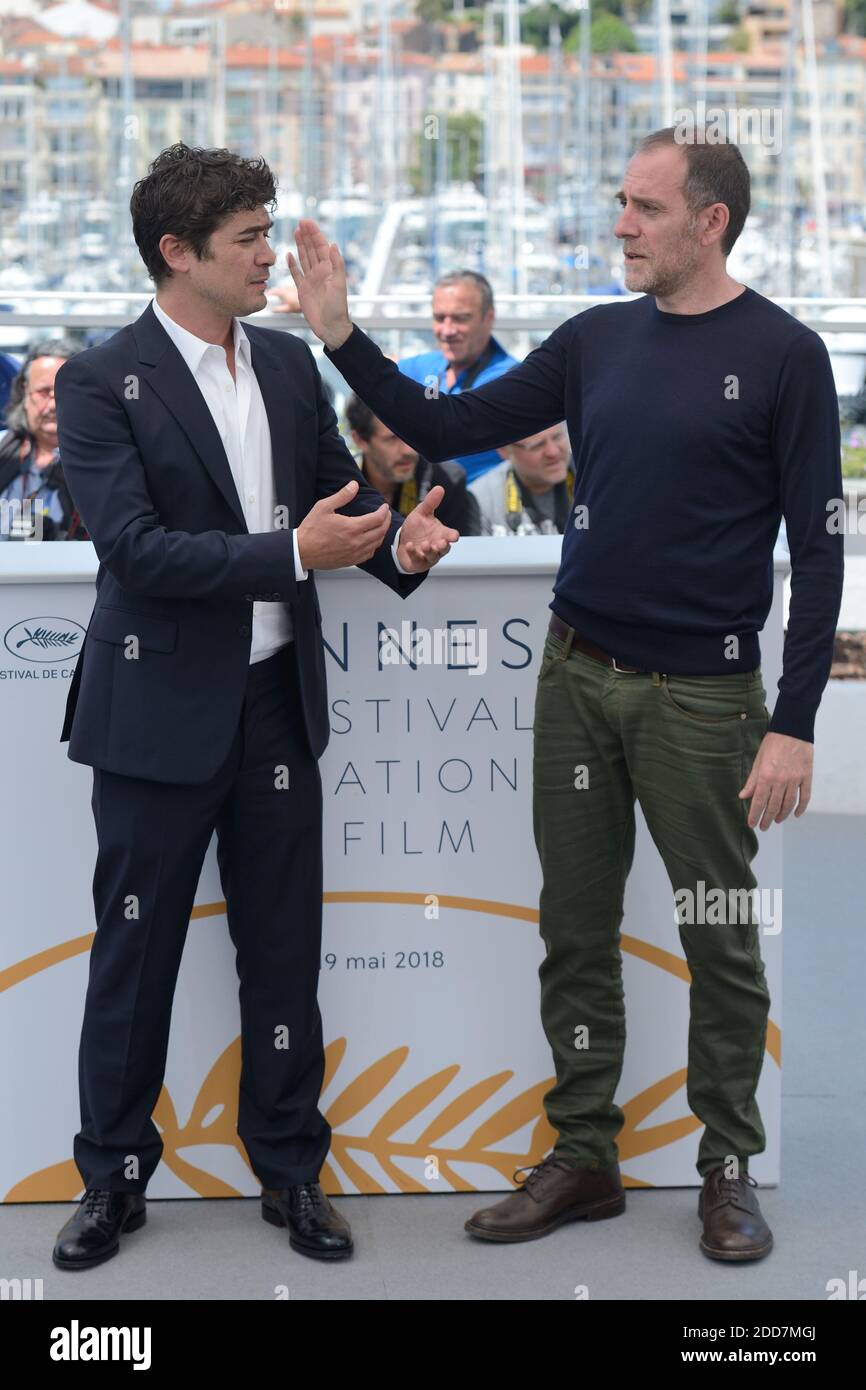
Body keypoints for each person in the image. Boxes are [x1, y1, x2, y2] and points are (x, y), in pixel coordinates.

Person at [288, 126, 845, 1262]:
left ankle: (725, 1162)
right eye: (617, 201)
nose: (620, 224)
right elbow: (445, 426)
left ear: (709, 223)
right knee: (573, 930)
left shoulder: (786, 354)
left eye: (642, 207)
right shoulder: (592, 340)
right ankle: (582, 1151)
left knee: (719, 934)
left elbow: (818, 553)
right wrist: (341, 334)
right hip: (575, 674)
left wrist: (793, 723)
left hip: (706, 695)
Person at [50, 142, 457, 1272]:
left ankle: (290, 1170)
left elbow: (337, 502)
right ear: (178, 253)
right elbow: (134, 550)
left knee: (285, 955)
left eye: (268, 231)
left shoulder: (282, 365)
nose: (268, 255)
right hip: (153, 719)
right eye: (248, 239)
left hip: (278, 705)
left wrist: (398, 544)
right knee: (135, 958)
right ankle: (110, 1179)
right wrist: (293, 549)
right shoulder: (97, 378)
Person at [397, 270, 518, 485]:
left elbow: (445, 442)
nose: (447, 330)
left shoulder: (508, 381)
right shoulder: (428, 365)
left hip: (479, 511)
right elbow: (380, 379)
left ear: (488, 318)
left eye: (461, 318)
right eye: (439, 318)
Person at [345, 393, 480, 535]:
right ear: (359, 440)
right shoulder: (340, 483)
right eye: (392, 439)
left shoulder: (447, 480)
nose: (409, 450)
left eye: (411, 435)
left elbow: (457, 552)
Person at [0, 339, 90, 541]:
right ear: (24, 391)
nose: (52, 405)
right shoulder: (3, 448)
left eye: (62, 392)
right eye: (43, 392)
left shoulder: (108, 458)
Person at [470, 423, 575, 535]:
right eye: (537, 445)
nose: (553, 452)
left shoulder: (594, 480)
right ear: (504, 450)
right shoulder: (480, 501)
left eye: (557, 437)